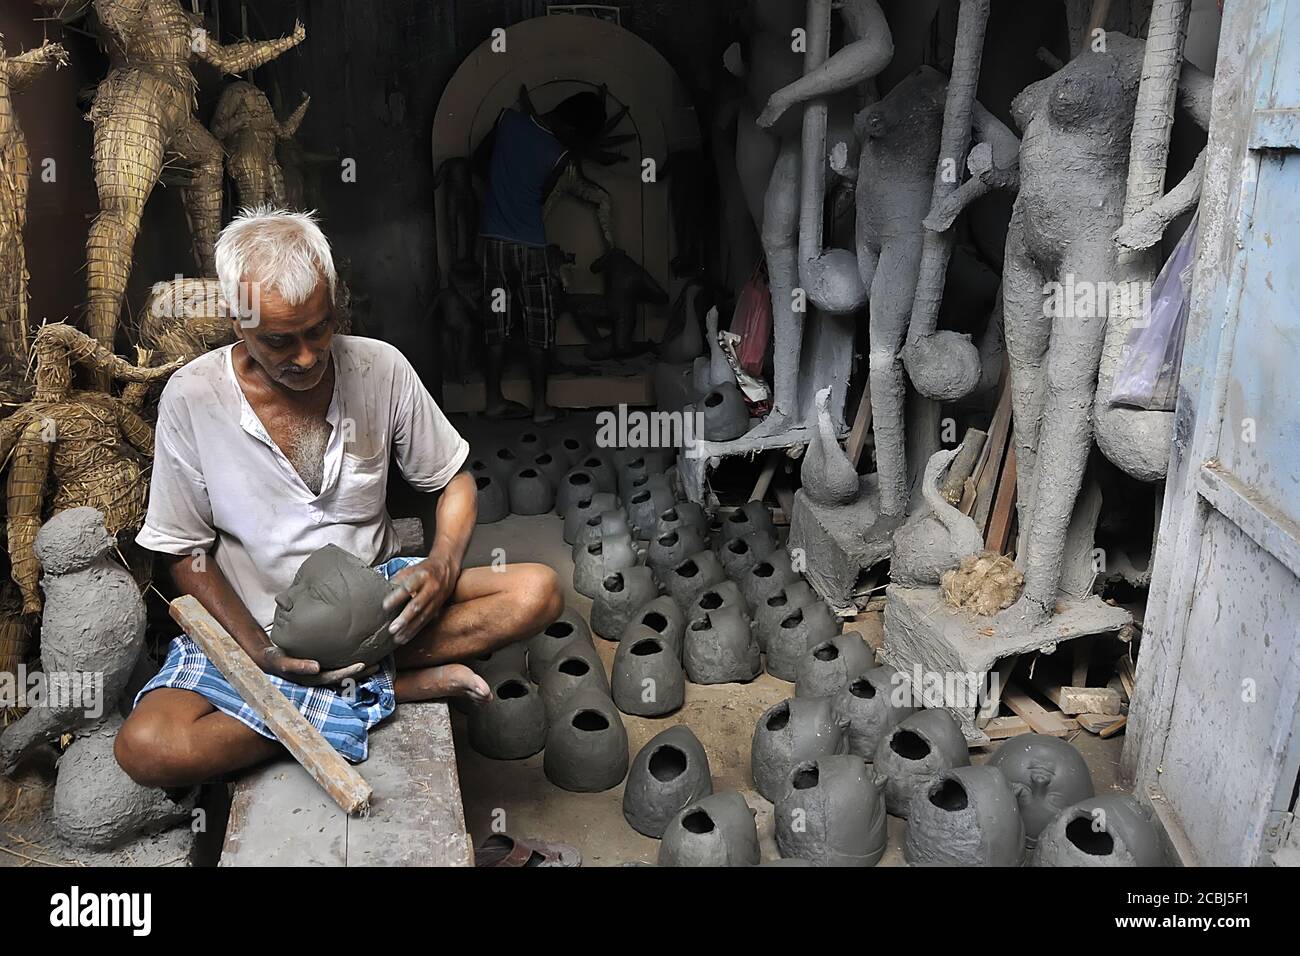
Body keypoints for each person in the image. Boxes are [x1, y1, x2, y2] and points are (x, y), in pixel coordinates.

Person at [114, 207, 563, 786]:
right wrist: (258, 652)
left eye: (318, 329)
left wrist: (443, 566)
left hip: (377, 609)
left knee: (537, 592)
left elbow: (453, 479)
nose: (305, 356)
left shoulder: (380, 368)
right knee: (147, 748)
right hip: (259, 626)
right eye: (280, 340)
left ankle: (328, 698)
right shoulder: (193, 397)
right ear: (237, 320)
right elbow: (181, 550)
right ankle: (384, 691)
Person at [475, 91, 608, 425]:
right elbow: (542, 200)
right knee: (539, 327)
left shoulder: (507, 120)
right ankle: (541, 409)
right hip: (531, 247)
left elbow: (478, 162)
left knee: (496, 324)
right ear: (570, 125)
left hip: (492, 243)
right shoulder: (559, 155)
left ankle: (493, 402)